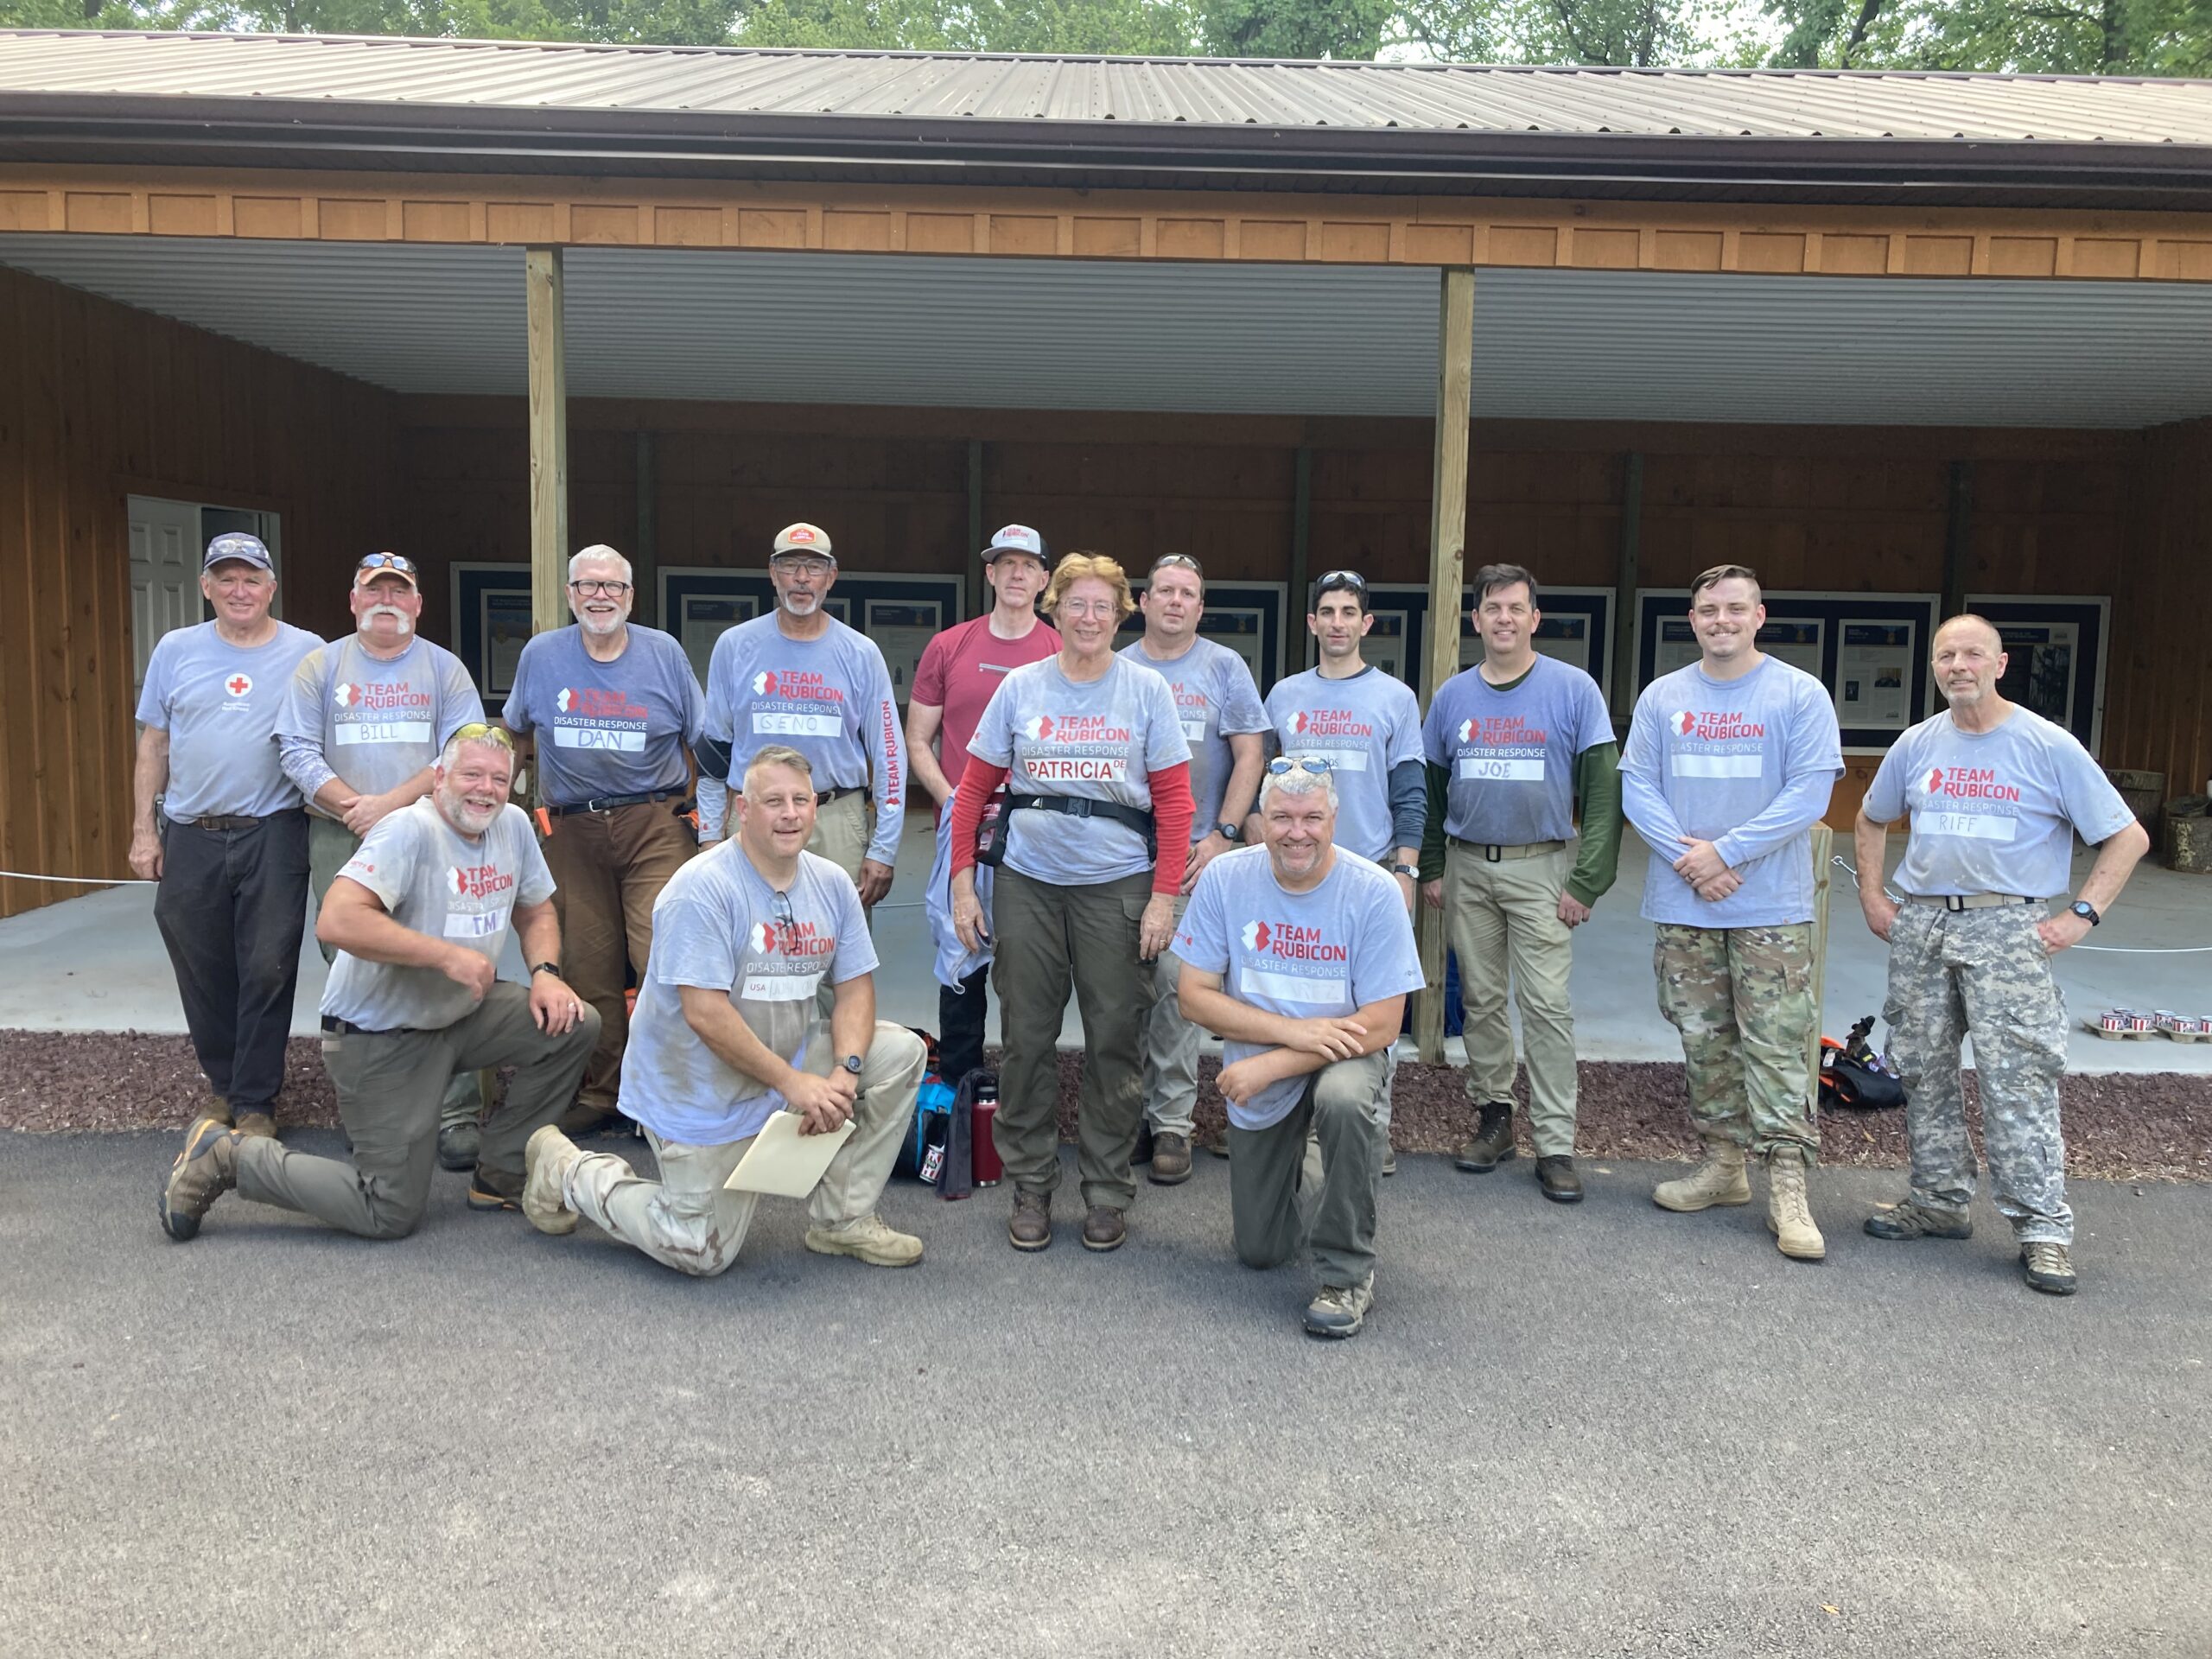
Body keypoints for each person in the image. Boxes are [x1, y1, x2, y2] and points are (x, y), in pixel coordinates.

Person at [159, 726, 596, 1243]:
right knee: (386, 1211)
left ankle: (501, 1175)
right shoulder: (408, 831)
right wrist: (446, 956)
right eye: (472, 774)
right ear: (438, 778)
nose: (486, 789)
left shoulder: (513, 825)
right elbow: (337, 921)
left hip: (460, 1015)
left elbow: (537, 909)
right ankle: (229, 1156)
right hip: (380, 1037)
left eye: (499, 779)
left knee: (574, 1023)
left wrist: (546, 975)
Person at [522, 747, 926, 1275]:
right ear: (742, 808)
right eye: (774, 800)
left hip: (781, 1063)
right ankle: (568, 1169)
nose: (790, 813)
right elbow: (705, 1014)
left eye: (801, 800)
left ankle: (842, 1221)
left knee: (898, 1052)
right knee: (697, 1250)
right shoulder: (702, 889)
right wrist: (795, 1085)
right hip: (698, 1089)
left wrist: (845, 1073)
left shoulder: (830, 884)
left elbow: (853, 987)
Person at [1853, 613, 2147, 1296]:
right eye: (1946, 655)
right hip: (1923, 926)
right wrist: (1874, 896)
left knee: (2016, 1078)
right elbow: (1871, 817)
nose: (1958, 665)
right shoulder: (1917, 743)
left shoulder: (2047, 746)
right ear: (1935, 667)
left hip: (2007, 930)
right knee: (1922, 1070)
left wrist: (2081, 915)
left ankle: (2042, 1230)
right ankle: (1939, 1200)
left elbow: (2126, 837)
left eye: (1972, 654)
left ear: (2000, 664)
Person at [948, 552, 1193, 1255]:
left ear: (1123, 616)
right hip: (1028, 880)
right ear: (1055, 613)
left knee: (1116, 1041)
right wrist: (965, 884)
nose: (1089, 619)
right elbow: (973, 793)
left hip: (1117, 886)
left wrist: (1163, 899)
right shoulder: (1022, 688)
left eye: (1103, 608)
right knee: (1026, 1039)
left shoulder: (1145, 692)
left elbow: (1175, 802)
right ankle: (1030, 1184)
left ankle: (1107, 1190)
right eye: (1076, 606)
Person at [1620, 564, 1842, 1261]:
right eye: (1708, 610)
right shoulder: (1664, 697)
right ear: (1693, 620)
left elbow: (1810, 794)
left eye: (1734, 609)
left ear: (1758, 615)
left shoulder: (1797, 695)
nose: (1721, 620)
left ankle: (1788, 1187)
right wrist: (1694, 862)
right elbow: (1638, 791)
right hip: (1687, 901)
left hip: (1768, 904)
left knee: (1777, 1043)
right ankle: (1723, 1166)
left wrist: (1728, 854)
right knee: (1705, 1038)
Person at [1173, 756, 1424, 1338]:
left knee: (1342, 1101)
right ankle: (1317, 1156)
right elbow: (1193, 997)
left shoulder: (1374, 891)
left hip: (1345, 1054)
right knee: (1261, 1251)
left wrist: (1280, 1062)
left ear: (1334, 818)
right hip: (1276, 1052)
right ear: (1260, 819)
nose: (1296, 832)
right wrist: (1294, 1033)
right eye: (1282, 816)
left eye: (1312, 816)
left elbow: (1385, 1024)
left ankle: (1346, 1274)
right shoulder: (1227, 879)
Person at [1418, 563, 1621, 1202]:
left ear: (1535, 618)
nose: (1503, 619)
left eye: (1515, 608)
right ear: (1475, 620)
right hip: (1469, 865)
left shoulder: (1572, 690)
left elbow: (1602, 789)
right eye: (1491, 609)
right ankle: (1495, 1118)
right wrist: (1432, 865)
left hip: (1541, 868)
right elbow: (1430, 787)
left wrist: (1587, 880)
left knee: (1546, 1007)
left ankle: (1556, 1143)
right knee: (1480, 999)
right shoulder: (1453, 697)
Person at [278, 550, 488, 1169]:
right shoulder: (319, 666)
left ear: (419, 605)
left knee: (442, 955)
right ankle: (375, 1111)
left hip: (429, 830)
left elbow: (463, 754)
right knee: (353, 965)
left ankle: (454, 1113)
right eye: (375, 591)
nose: (387, 601)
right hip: (338, 834)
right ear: (354, 600)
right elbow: (294, 748)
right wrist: (351, 807)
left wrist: (388, 807)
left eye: (399, 592)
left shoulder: (445, 670)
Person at [503, 543, 705, 1136]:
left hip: (654, 825)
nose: (599, 596)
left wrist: (707, 824)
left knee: (663, 959)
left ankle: (674, 1095)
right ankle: (603, 1092)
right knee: (586, 968)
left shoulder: (662, 653)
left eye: (612, 586)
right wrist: (506, 812)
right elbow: (516, 734)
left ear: (630, 597)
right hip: (571, 826)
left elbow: (702, 743)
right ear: (570, 595)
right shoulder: (542, 655)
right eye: (587, 585)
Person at [128, 533, 322, 1140]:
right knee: (202, 963)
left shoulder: (308, 651)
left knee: (267, 964)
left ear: (272, 587)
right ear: (207, 587)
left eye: (252, 578)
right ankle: (225, 1087)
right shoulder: (175, 649)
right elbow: (153, 743)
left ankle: (258, 1102)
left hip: (274, 829)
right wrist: (143, 830)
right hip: (190, 830)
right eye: (226, 578)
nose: (240, 590)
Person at [1261, 569, 1424, 1177]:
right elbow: (1265, 786)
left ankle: (1368, 1129)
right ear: (1311, 623)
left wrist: (1406, 868)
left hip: (1370, 873)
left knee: (1374, 1003)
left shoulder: (1394, 698)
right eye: (1326, 612)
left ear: (1366, 624)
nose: (1336, 623)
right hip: (1298, 873)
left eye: (1347, 612)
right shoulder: (1284, 695)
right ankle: (1300, 1129)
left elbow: (1410, 789)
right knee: (1300, 994)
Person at [1120, 552, 1268, 1185]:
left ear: (1200, 608)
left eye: (1188, 594)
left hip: (1190, 862)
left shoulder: (1223, 667)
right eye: (1165, 591)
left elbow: (1251, 753)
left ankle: (1172, 1124)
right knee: (1120, 996)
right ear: (1144, 601)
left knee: (1180, 995)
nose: (1176, 602)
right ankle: (1126, 1118)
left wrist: (1225, 835)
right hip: (1122, 857)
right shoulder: (1118, 667)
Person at [907, 525, 1059, 1088]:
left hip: (1035, 829)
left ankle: (1024, 1100)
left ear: (1044, 579)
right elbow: (917, 740)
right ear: (990, 573)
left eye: (1029, 565)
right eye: (1006, 563)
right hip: (962, 822)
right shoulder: (950, 645)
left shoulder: (1061, 651)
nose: (1018, 574)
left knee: (1027, 965)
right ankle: (961, 1091)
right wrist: (955, 803)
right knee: (960, 952)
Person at [696, 524, 903, 907]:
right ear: (773, 574)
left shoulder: (862, 654)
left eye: (814, 566)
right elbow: (714, 754)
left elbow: (890, 756)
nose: (802, 578)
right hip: (753, 817)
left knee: (837, 953)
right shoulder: (735, 646)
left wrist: (884, 849)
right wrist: (709, 835)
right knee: (747, 948)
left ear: (832, 577)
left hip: (836, 819)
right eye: (790, 565)